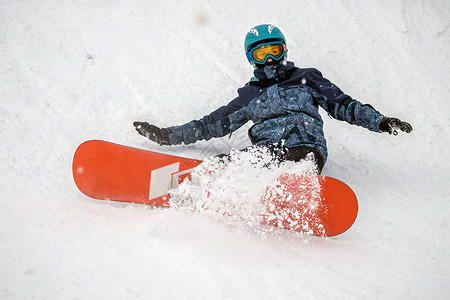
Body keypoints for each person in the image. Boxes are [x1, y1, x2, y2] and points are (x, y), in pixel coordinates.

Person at [134, 24, 412, 174]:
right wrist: (166, 136)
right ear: (250, 59)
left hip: (306, 149)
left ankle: (292, 188)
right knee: (234, 162)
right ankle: (216, 184)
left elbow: (344, 105)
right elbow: (211, 125)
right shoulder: (249, 95)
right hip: (266, 151)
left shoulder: (307, 78)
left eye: (273, 50)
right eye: (260, 53)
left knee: (300, 160)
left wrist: (381, 122)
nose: (268, 58)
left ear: (284, 50)